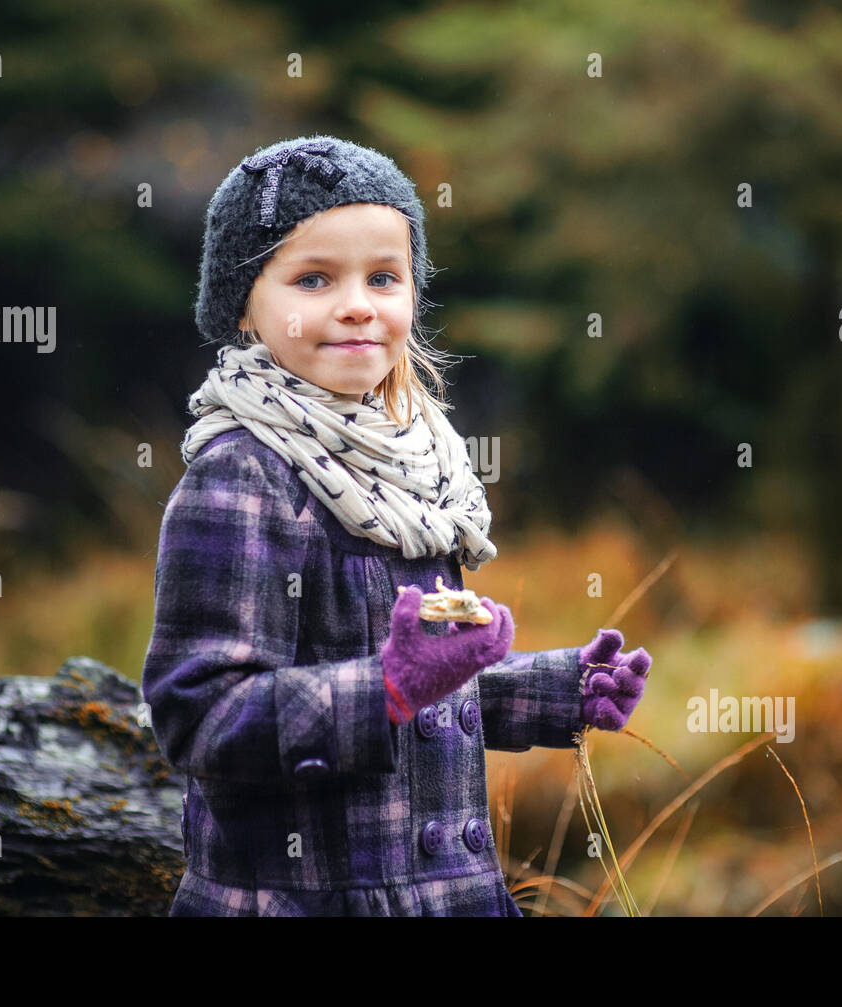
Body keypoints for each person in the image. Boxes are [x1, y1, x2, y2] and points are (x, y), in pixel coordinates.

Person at [141, 135, 652, 916]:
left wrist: (555, 691)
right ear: (243, 307)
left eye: (384, 276)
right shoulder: (241, 475)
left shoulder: (416, 465)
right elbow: (200, 717)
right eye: (313, 278)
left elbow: (422, 693)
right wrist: (384, 685)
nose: (356, 303)